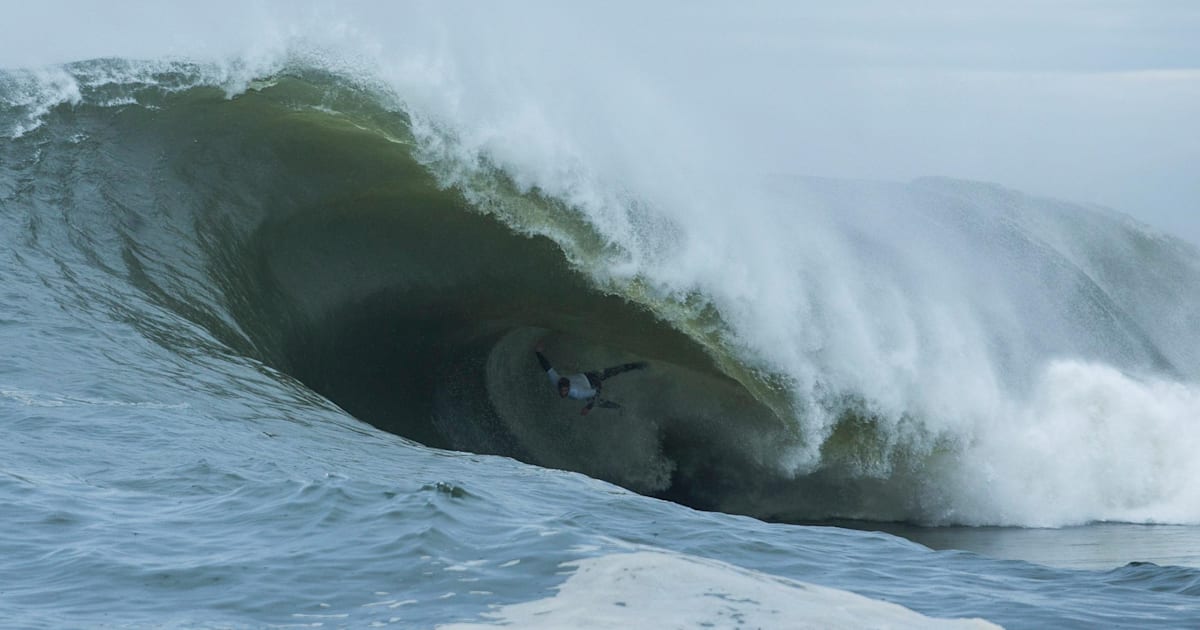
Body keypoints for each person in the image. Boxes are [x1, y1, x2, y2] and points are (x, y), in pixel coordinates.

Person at [535, 341, 647, 415]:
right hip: (586, 376)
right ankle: (637, 366)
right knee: (612, 371)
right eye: (562, 390)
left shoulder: (577, 393)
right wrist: (538, 352)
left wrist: (588, 408)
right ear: (559, 386)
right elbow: (547, 367)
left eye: (565, 390)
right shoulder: (556, 380)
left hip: (593, 382)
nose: (563, 393)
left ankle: (621, 406)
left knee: (598, 401)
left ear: (569, 388)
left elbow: (596, 392)